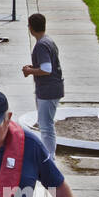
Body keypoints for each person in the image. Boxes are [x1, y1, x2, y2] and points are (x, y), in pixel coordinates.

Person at [21, 13, 65, 163]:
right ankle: (47, 155)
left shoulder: (41, 45)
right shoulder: (48, 41)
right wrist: (33, 67)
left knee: (46, 126)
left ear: (31, 28)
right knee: (45, 123)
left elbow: (46, 69)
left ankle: (49, 157)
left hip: (48, 91)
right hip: (51, 89)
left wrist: (29, 71)